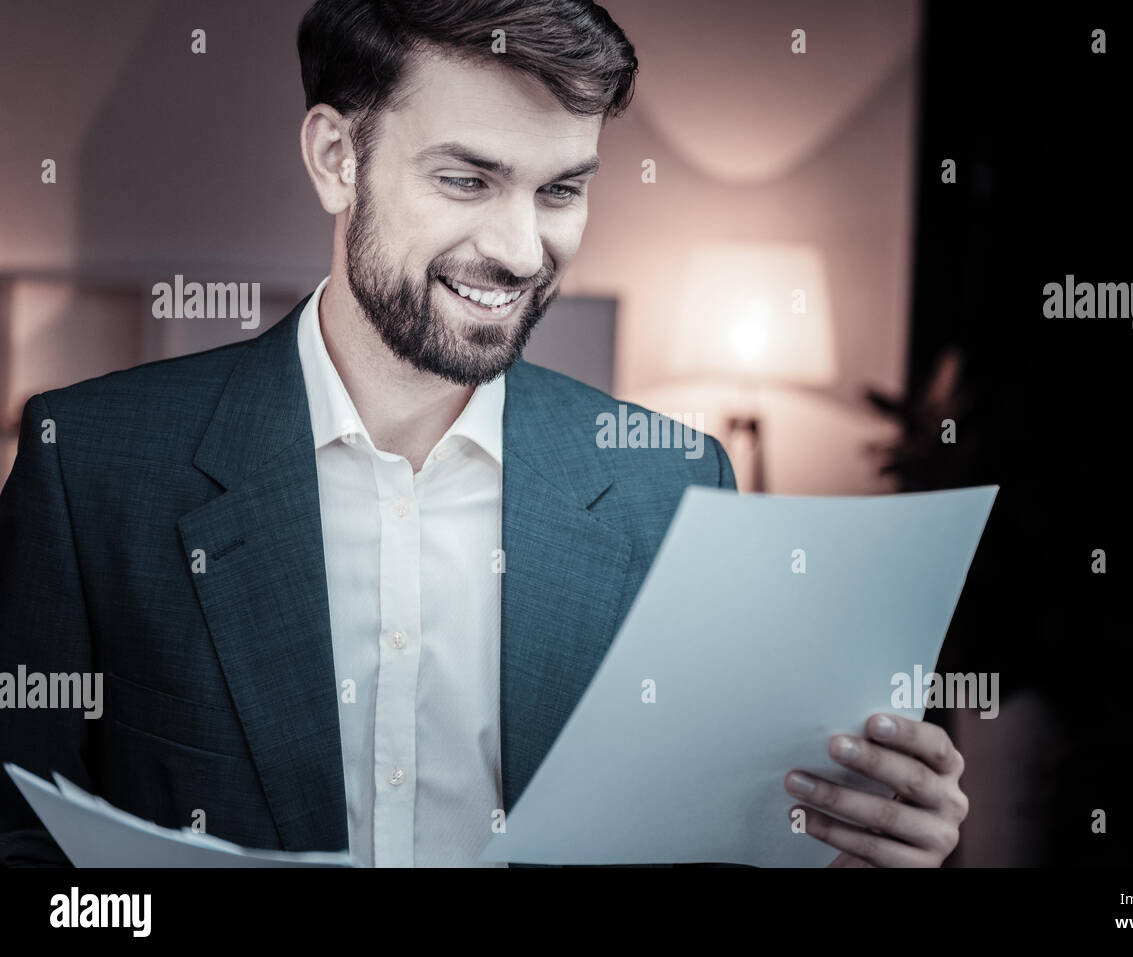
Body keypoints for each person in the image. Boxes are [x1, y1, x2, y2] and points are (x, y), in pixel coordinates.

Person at [0, 0, 967, 867]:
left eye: (562, 190)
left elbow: (709, 845)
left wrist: (848, 852)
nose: (519, 250)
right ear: (336, 158)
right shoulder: (88, 465)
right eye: (467, 180)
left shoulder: (673, 483)